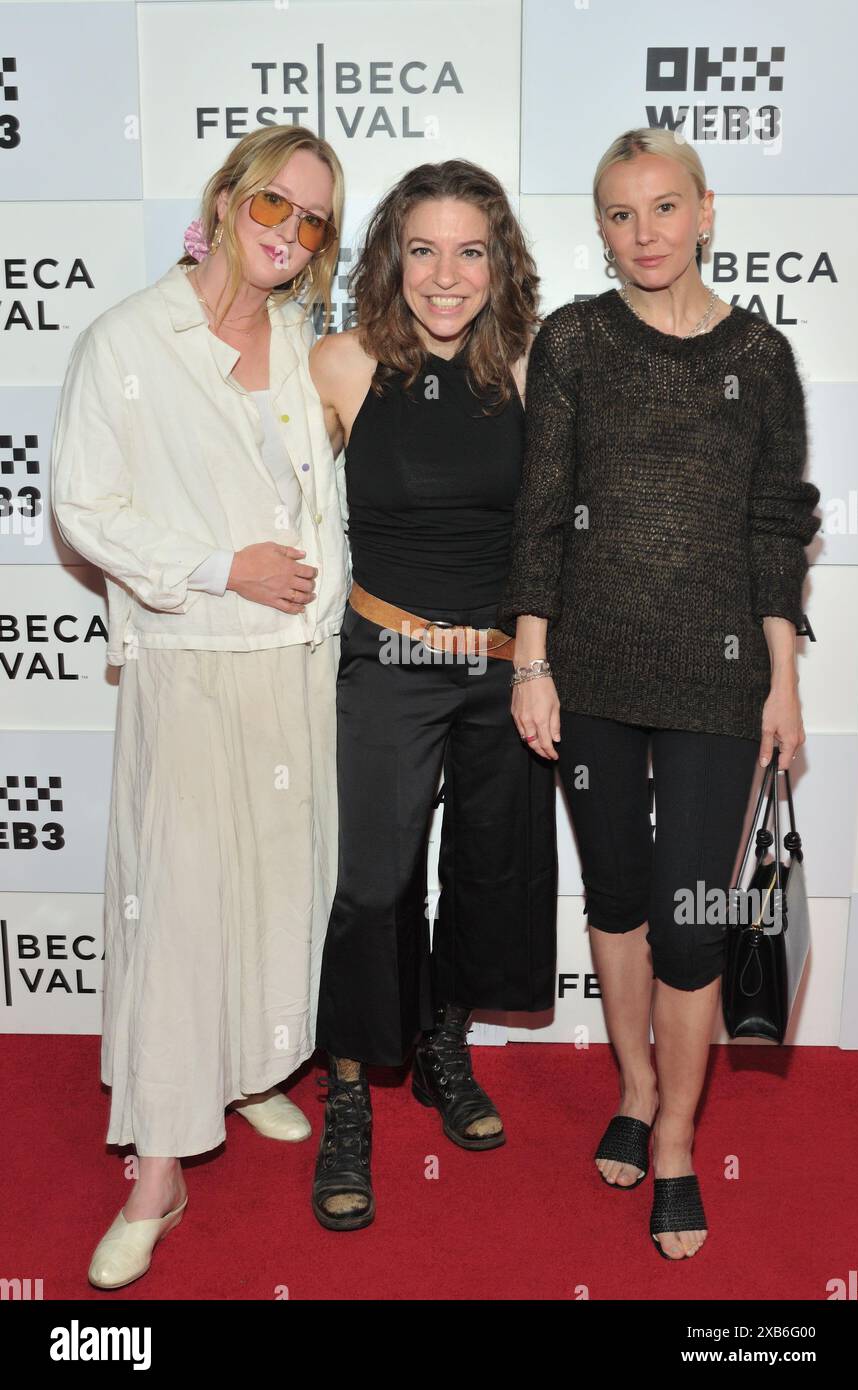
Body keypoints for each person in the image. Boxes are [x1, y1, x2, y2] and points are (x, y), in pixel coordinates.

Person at [496, 127, 821, 1261]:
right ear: (600, 228)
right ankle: (632, 1085)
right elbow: (540, 512)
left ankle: (677, 1137)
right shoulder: (573, 341)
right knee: (619, 896)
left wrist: (782, 681)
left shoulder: (762, 357)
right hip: (588, 668)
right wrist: (530, 660)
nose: (645, 234)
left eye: (664, 209)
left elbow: (774, 526)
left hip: (721, 679)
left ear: (705, 210)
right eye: (621, 216)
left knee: (693, 918)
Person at [50, 125, 349, 1288]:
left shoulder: (298, 335)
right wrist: (222, 566)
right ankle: (159, 1174)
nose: (288, 229)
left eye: (314, 217)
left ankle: (253, 1072)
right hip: (191, 657)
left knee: (280, 890)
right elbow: (85, 505)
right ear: (226, 198)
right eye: (273, 201)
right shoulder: (131, 336)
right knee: (179, 914)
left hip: (297, 664)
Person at [307, 159, 558, 1230]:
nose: (445, 276)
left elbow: (551, 526)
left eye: (469, 250)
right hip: (390, 657)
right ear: (388, 258)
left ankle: (445, 1043)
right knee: (372, 884)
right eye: (422, 249)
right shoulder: (340, 362)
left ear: (497, 260)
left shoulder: (533, 366)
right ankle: (352, 1092)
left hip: (503, 664)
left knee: (490, 870)